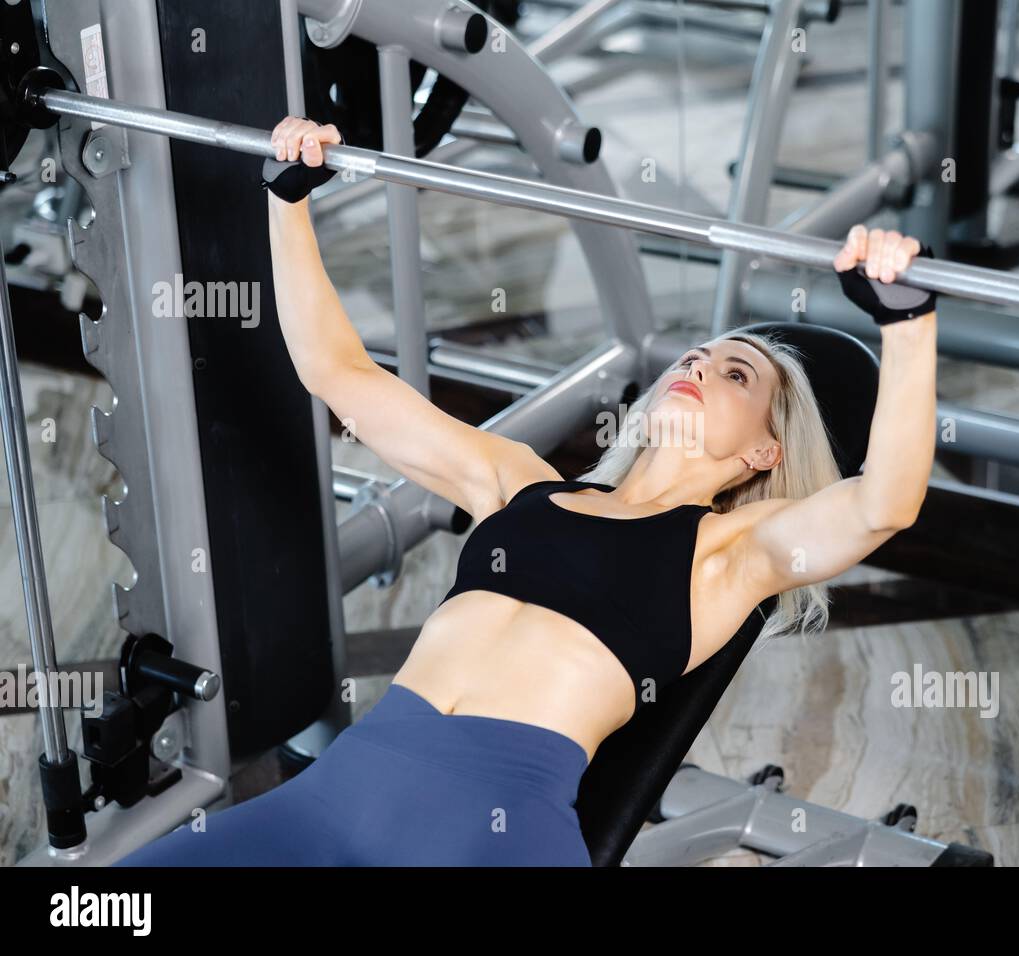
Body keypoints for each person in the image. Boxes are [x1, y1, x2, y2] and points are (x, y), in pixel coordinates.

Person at [114, 116, 937, 867]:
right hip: (328, 807)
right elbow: (340, 374)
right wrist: (286, 200)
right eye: (696, 355)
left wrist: (907, 324)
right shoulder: (521, 487)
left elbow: (884, 504)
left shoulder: (729, 558)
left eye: (734, 373)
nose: (696, 365)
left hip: (488, 831)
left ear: (764, 449)